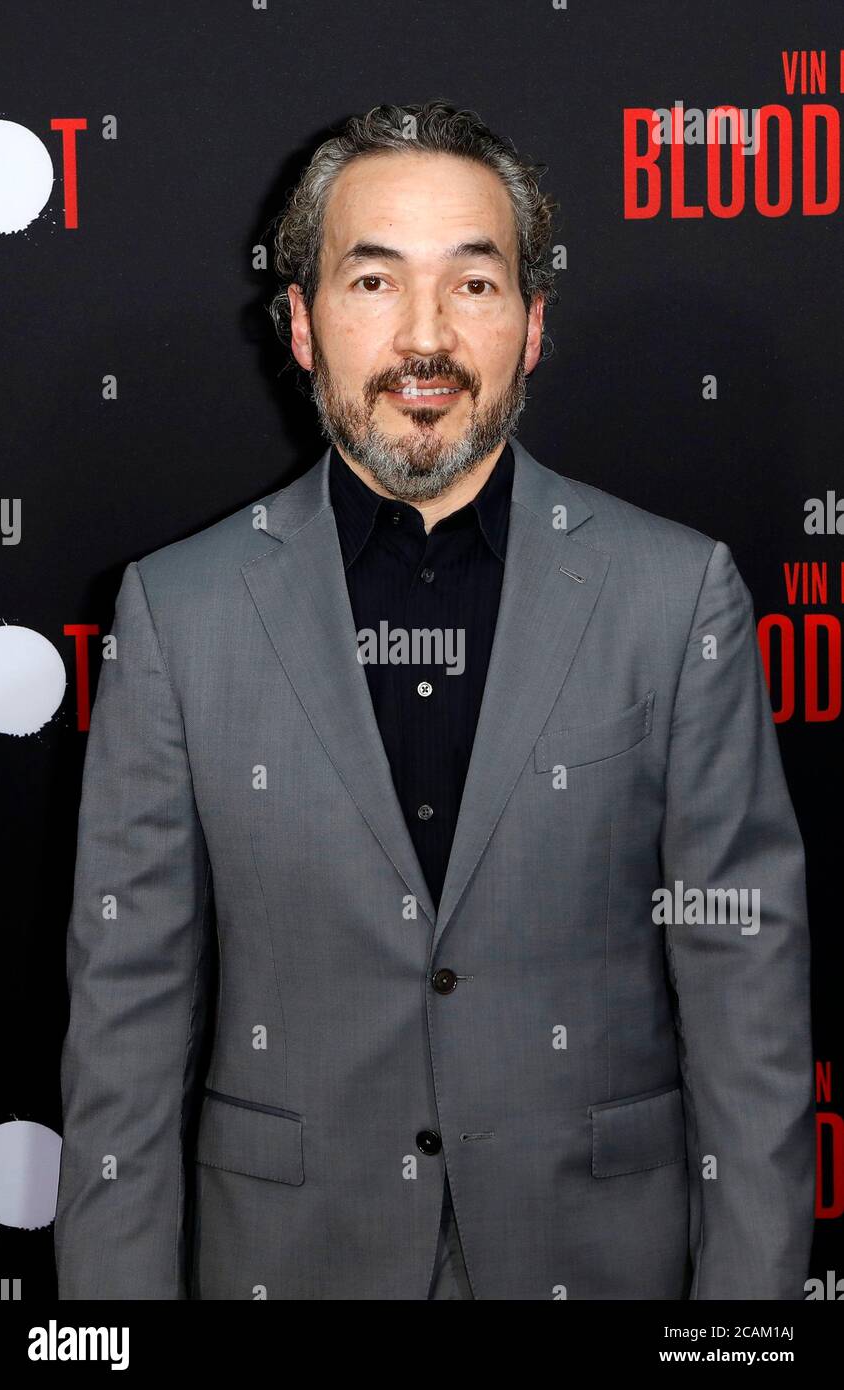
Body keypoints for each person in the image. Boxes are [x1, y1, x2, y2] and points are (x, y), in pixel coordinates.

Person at [54, 101, 814, 1300]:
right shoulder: (175, 614)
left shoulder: (677, 596)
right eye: (370, 282)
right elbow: (126, 1030)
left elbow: (747, 1008)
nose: (425, 336)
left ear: (532, 324)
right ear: (299, 324)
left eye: (472, 284)